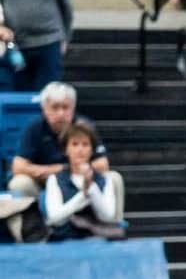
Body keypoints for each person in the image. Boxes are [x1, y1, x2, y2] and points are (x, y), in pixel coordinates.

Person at [4, 83, 120, 241]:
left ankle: (115, 228)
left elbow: (102, 164)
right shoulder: (35, 128)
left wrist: (78, 173)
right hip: (44, 181)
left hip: (80, 178)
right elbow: (18, 166)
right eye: (55, 107)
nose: (61, 113)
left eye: (66, 107)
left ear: (73, 108)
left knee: (114, 178)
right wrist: (59, 171)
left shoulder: (84, 126)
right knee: (19, 183)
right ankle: (32, 234)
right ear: (45, 108)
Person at [43, 124, 124, 240]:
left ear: (92, 150)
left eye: (85, 144)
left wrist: (91, 188)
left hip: (99, 241)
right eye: (75, 144)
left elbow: (108, 217)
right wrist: (82, 196)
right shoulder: (55, 180)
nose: (80, 149)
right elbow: (55, 218)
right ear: (66, 149)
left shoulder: (105, 181)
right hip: (65, 241)